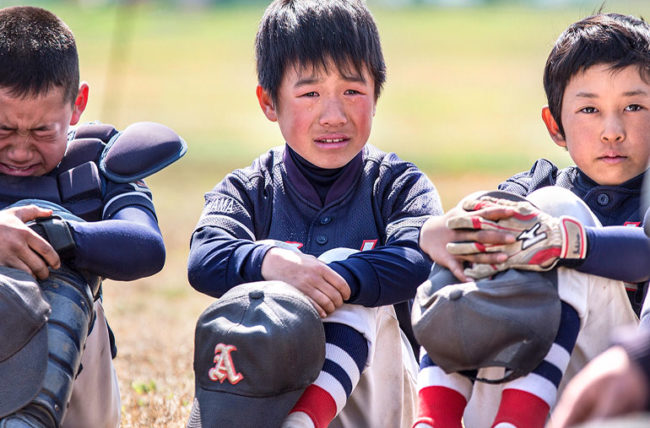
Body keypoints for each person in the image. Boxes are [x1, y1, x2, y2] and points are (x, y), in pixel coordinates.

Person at [186, 0, 442, 427]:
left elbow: (420, 258)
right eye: (310, 94)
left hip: (382, 404)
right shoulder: (249, 188)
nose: (334, 115)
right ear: (269, 102)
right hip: (276, 393)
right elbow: (204, 258)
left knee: (343, 274)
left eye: (353, 91)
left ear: (376, 95)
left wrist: (334, 277)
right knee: (243, 308)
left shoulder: (398, 184)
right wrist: (274, 262)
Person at [413, 12, 650, 428]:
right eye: (590, 109)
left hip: (611, 389)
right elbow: (464, 228)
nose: (612, 130)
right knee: (482, 220)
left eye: (634, 106)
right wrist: (438, 231)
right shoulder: (539, 181)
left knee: (555, 217)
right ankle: (436, 418)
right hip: (513, 378)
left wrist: (564, 241)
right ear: (555, 125)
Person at [0, 6, 185, 427]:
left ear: (77, 104)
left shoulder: (100, 159)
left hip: (77, 383)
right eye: (4, 130)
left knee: (56, 272)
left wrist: (57, 235)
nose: (20, 150)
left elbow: (146, 247)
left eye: (43, 131)